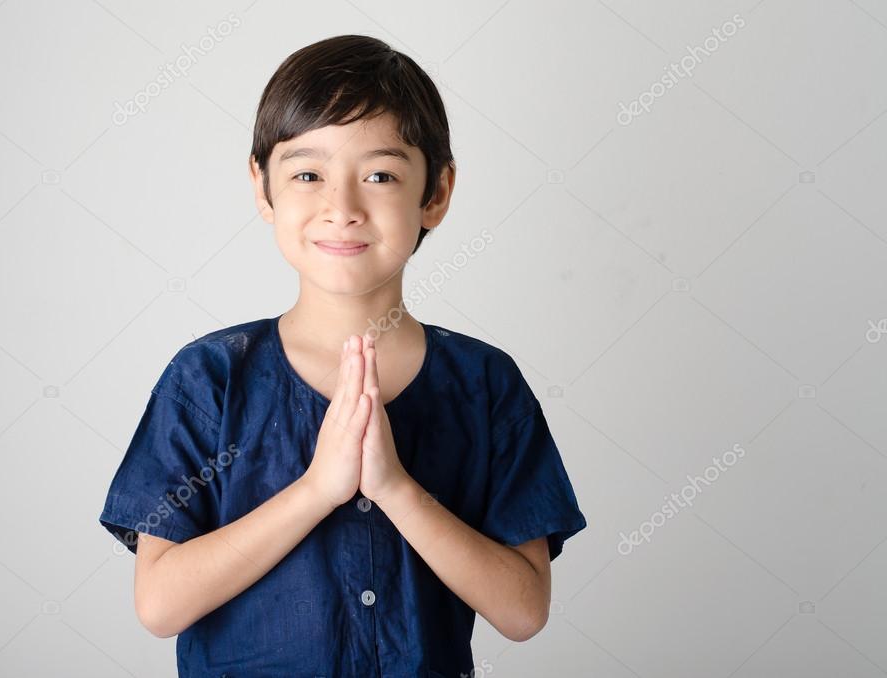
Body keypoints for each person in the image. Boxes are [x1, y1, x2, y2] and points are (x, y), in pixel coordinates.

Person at [98, 33, 587, 677]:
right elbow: (159, 605)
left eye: (381, 175)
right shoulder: (209, 377)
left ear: (435, 193)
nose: (343, 208)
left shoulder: (485, 383)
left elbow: (524, 611)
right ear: (263, 187)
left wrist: (394, 488)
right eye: (307, 174)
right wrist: (316, 490)